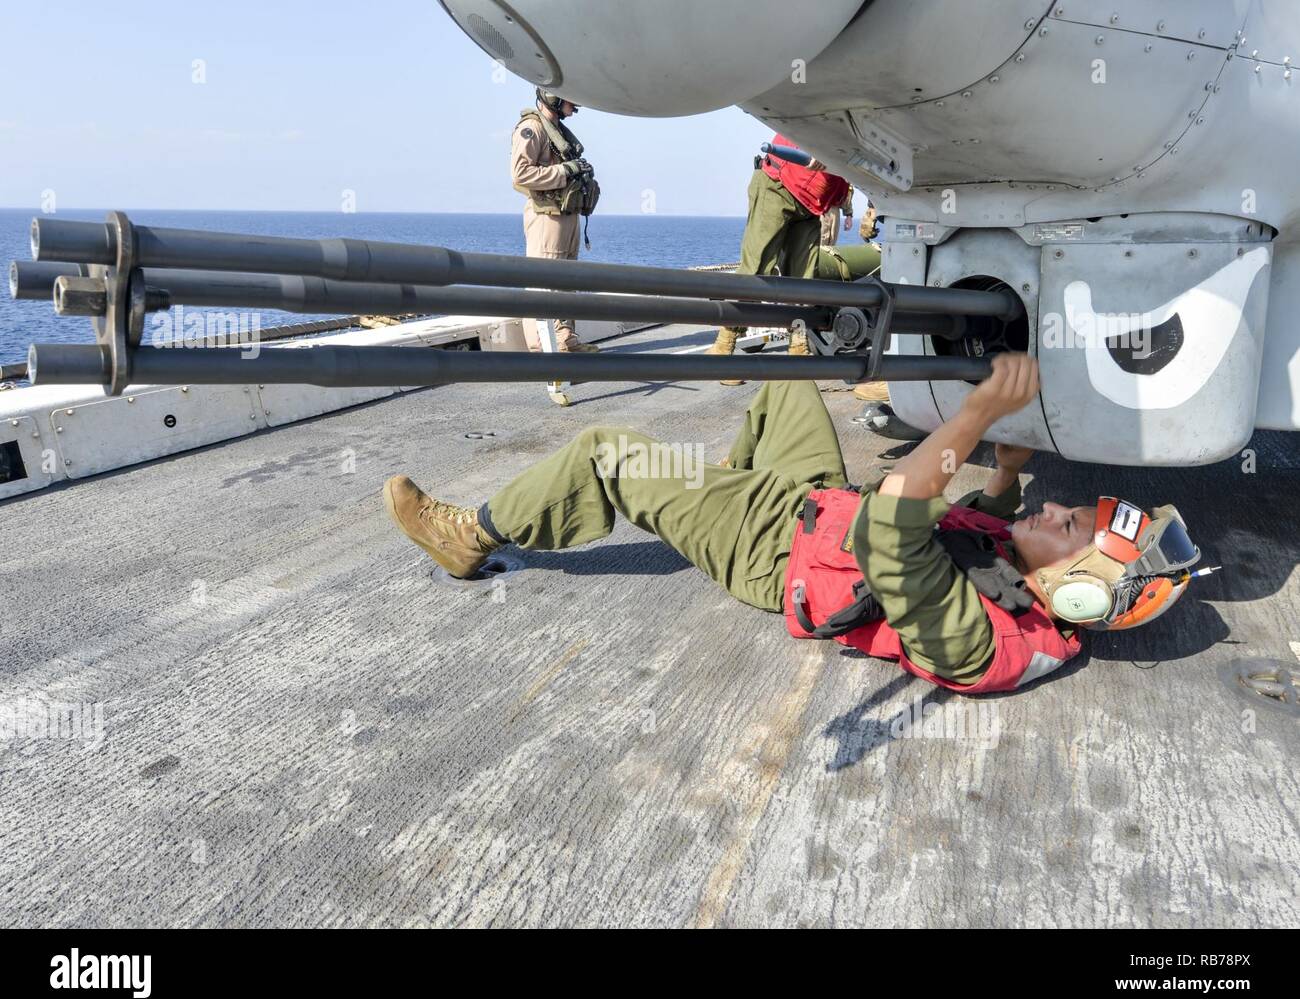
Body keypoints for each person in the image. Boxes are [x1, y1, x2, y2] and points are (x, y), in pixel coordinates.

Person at [382, 354, 1201, 693]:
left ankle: (473, 535)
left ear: (1076, 595)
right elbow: (978, 535)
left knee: (606, 453)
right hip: (815, 503)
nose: (1055, 512)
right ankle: (711, 489)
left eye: (1068, 529)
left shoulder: (981, 645)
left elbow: (896, 533)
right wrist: (1009, 473)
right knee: (789, 383)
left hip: (772, 548)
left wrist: (976, 414)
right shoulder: (1026, 583)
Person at [709, 134, 851, 385]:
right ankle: (724, 350)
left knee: (803, 279)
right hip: (779, 184)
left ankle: (798, 350)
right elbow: (801, 116)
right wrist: (816, 144)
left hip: (813, 204)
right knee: (755, 269)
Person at [511, 87, 602, 406]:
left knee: (567, 287)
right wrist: (565, 171)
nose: (574, 106)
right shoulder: (532, 128)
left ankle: (567, 343)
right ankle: (544, 359)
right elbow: (520, 174)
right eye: (568, 99)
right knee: (542, 288)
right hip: (546, 218)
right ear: (552, 97)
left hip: (567, 217)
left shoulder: (557, 130)